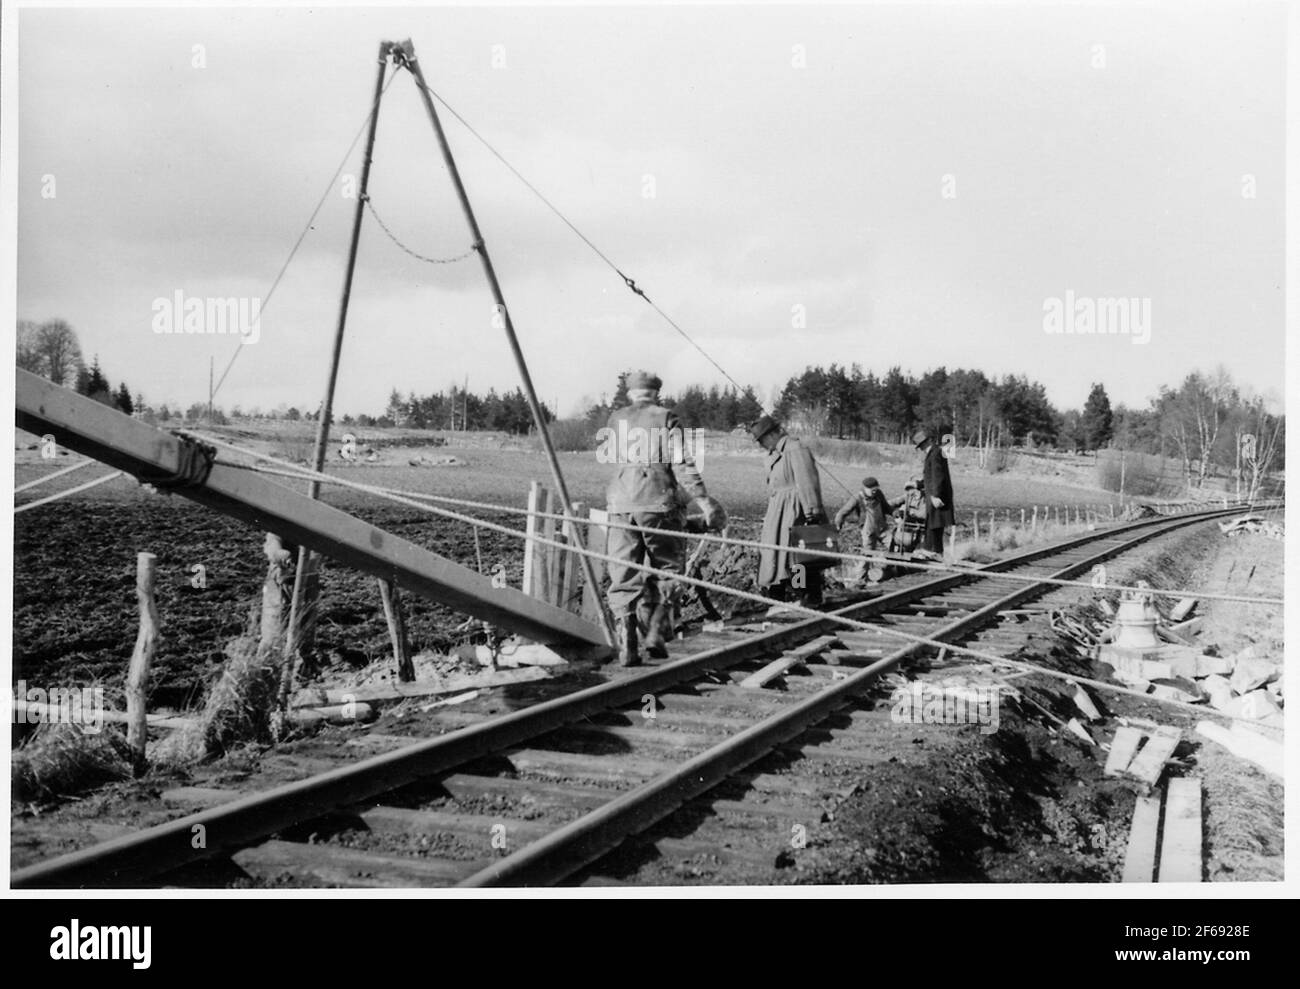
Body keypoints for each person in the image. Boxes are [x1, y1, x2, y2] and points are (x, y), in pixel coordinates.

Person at [604, 370, 723, 666]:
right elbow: (681, 461)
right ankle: (656, 630)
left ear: (630, 394)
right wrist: (704, 502)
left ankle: (627, 643)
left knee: (623, 573)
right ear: (655, 393)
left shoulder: (615, 419)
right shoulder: (666, 417)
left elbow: (612, 457)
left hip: (620, 504)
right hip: (657, 502)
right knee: (667, 569)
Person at [750, 415, 828, 608]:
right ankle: (778, 596)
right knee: (775, 555)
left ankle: (806, 596)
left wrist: (812, 511)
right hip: (778, 511)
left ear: (773, 434)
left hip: (795, 509)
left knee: (799, 556)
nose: (761, 445)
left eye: (762, 440)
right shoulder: (774, 453)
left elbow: (807, 480)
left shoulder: (795, 448)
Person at [913, 429, 955, 556]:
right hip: (935, 494)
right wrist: (918, 484)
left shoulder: (935, 453)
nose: (921, 448)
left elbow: (938, 476)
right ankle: (935, 552)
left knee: (935, 525)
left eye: (922, 445)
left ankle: (933, 552)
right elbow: (931, 477)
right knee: (934, 525)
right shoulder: (935, 452)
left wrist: (935, 496)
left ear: (928, 441)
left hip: (938, 496)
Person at [834, 476, 897, 553]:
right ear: (865, 488)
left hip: (882, 528)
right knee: (867, 553)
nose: (875, 492)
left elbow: (886, 507)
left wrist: (895, 513)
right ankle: (865, 564)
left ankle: (892, 564)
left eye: (876, 489)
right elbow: (843, 512)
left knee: (892, 545)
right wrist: (838, 524)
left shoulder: (879, 494)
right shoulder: (857, 498)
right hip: (867, 531)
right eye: (872, 490)